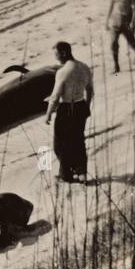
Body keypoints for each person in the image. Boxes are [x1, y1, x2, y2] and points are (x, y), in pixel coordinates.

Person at [44, 41, 94, 183]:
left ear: (63, 53)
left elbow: (55, 97)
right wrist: (87, 106)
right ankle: (82, 172)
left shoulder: (63, 72)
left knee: (61, 144)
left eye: (56, 54)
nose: (56, 58)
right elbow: (90, 90)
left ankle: (66, 175)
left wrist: (48, 114)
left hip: (66, 108)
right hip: (81, 106)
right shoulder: (84, 67)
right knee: (78, 140)